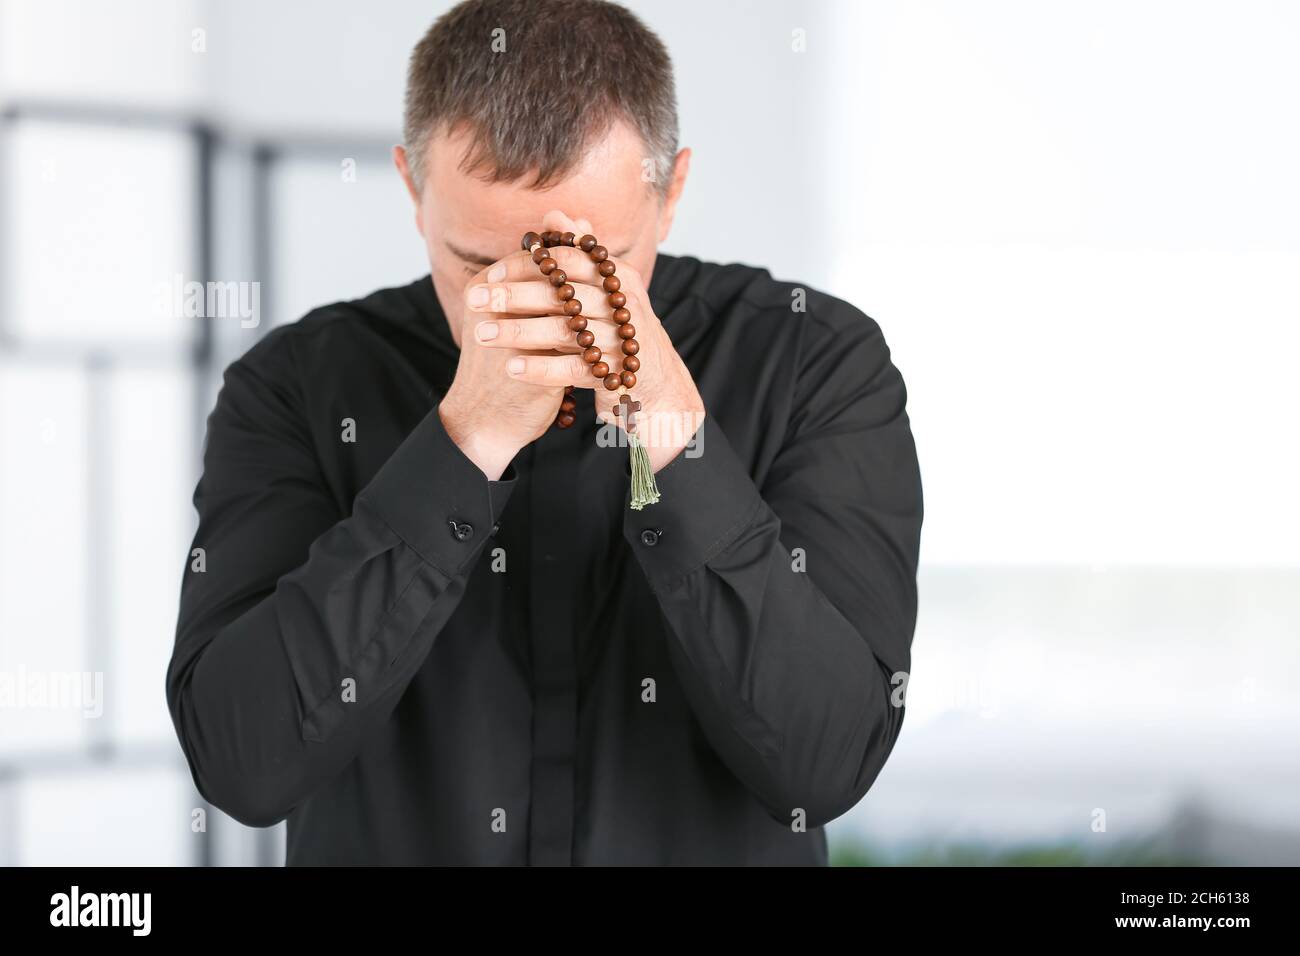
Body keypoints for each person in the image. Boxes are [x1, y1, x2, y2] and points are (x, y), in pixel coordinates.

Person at [166, 0, 923, 865]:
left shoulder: (813, 363)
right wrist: (462, 447)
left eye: (597, 260)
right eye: (482, 266)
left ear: (671, 192)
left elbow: (825, 762)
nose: (534, 305)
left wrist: (670, 428)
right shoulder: (297, 386)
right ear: (412, 189)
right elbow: (240, 764)